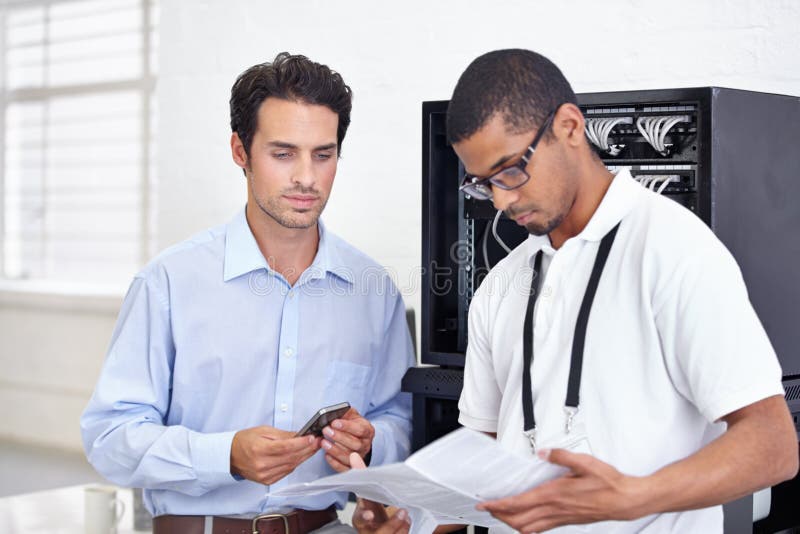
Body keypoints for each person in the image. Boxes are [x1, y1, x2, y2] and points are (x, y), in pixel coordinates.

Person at [442, 49, 798, 533]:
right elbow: (481, 450)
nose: (502, 201)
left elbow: (773, 445)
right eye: (484, 184)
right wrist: (413, 518)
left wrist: (635, 497)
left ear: (570, 127)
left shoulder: (674, 250)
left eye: (510, 171)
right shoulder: (503, 281)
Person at [80, 52, 415, 534]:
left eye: (323, 155)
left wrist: (372, 442)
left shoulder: (372, 290)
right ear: (241, 151)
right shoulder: (168, 282)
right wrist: (225, 455)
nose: (307, 177)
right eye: (283, 154)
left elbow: (401, 421)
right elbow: (109, 437)